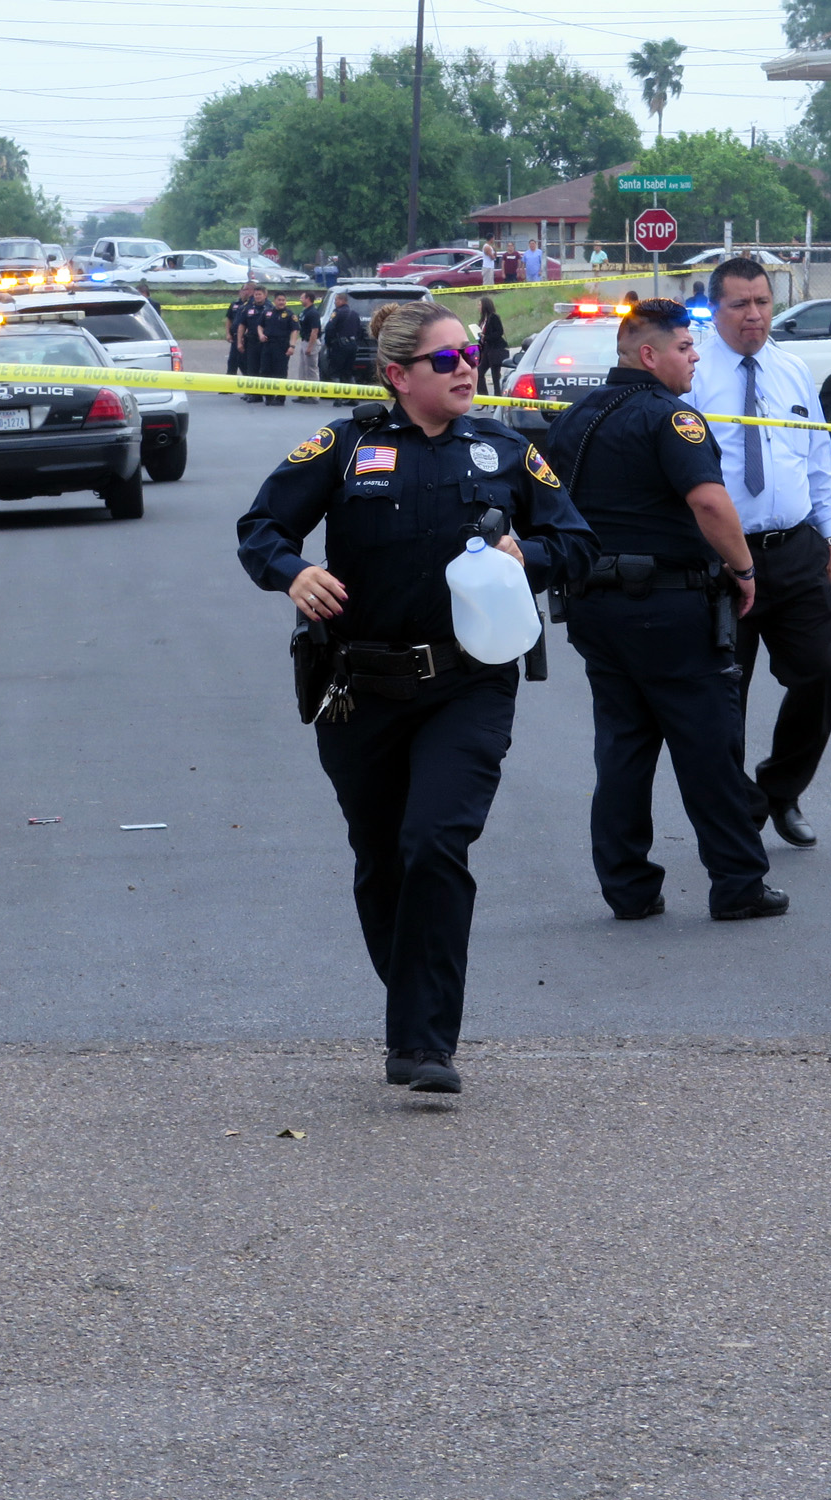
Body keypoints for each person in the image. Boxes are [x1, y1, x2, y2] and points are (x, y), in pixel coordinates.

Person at [236, 299, 598, 1095]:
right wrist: (293, 572)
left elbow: (577, 541)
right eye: (446, 359)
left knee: (435, 842)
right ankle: (414, 1004)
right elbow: (260, 527)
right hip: (358, 689)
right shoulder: (345, 446)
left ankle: (426, 1043)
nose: (467, 367)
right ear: (398, 376)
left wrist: (528, 556)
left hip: (467, 684)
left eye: (468, 353)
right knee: (381, 860)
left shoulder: (505, 449)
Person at [543, 298, 787, 923]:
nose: (695, 357)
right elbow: (709, 502)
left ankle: (628, 888)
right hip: (669, 607)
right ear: (649, 355)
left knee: (622, 748)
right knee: (708, 746)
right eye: (684, 347)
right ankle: (738, 884)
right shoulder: (671, 418)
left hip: (594, 605)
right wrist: (744, 569)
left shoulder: (576, 418)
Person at [687, 256, 831, 850]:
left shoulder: (792, 371)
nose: (754, 314)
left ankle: (780, 790)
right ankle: (740, 811)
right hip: (719, 560)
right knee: (723, 696)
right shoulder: (693, 375)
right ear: (715, 309)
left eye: (762, 302)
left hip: (795, 550)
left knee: (819, 676)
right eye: (740, 304)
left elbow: (818, 463)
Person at [322, 291, 362, 405]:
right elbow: (360, 331)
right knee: (348, 372)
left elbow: (329, 329)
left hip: (339, 346)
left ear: (342, 301)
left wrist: (329, 343)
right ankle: (354, 398)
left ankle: (338, 398)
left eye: (336, 300)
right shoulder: (354, 313)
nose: (335, 302)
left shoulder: (337, 313)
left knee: (335, 371)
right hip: (352, 345)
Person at [259, 290, 299, 406]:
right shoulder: (267, 312)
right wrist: (261, 334)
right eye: (279, 300)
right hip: (268, 345)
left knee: (280, 372)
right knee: (266, 370)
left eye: (283, 300)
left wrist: (292, 346)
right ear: (274, 301)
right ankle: (269, 396)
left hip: (282, 346)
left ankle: (280, 398)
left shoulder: (290, 314)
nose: (281, 302)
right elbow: (260, 325)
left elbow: (295, 331)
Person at [236, 284, 268, 402]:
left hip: (266, 343)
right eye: (256, 294)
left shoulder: (270, 308)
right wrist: (239, 342)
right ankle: (254, 394)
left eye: (260, 294)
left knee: (264, 368)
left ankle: (267, 394)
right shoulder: (248, 308)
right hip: (252, 341)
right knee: (251, 368)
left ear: (265, 295)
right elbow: (242, 325)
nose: (257, 296)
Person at [292, 291, 322, 400]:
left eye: (302, 298)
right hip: (304, 341)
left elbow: (315, 331)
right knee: (303, 369)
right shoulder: (305, 311)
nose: (300, 300)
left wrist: (310, 347)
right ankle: (303, 394)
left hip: (311, 342)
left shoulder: (313, 313)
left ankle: (314, 396)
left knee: (311, 370)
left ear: (308, 299)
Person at [476, 296, 506, 399]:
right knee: (479, 372)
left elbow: (499, 332)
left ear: (485, 305)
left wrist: (486, 337)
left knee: (495, 376)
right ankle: (484, 398)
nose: (478, 307)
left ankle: (497, 400)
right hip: (486, 350)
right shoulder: (482, 320)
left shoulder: (493, 317)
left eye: (480, 305)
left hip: (495, 349)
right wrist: (480, 338)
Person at [224, 287, 251, 379]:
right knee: (232, 361)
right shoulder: (234, 304)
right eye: (244, 290)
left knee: (244, 362)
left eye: (247, 290)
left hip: (246, 338)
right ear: (240, 292)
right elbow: (229, 319)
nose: (245, 293)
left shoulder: (251, 305)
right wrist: (228, 333)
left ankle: (248, 381)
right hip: (235, 337)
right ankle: (229, 382)